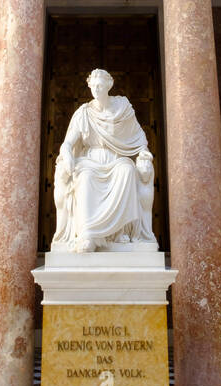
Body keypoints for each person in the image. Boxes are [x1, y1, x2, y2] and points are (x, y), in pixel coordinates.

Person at [52, 68, 158, 252]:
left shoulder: (123, 109)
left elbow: (139, 138)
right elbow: (68, 142)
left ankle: (119, 231)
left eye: (100, 86)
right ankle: (88, 235)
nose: (96, 90)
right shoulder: (84, 113)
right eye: (93, 86)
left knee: (127, 170)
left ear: (109, 85)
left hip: (116, 158)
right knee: (85, 177)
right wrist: (66, 151)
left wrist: (144, 155)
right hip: (90, 160)